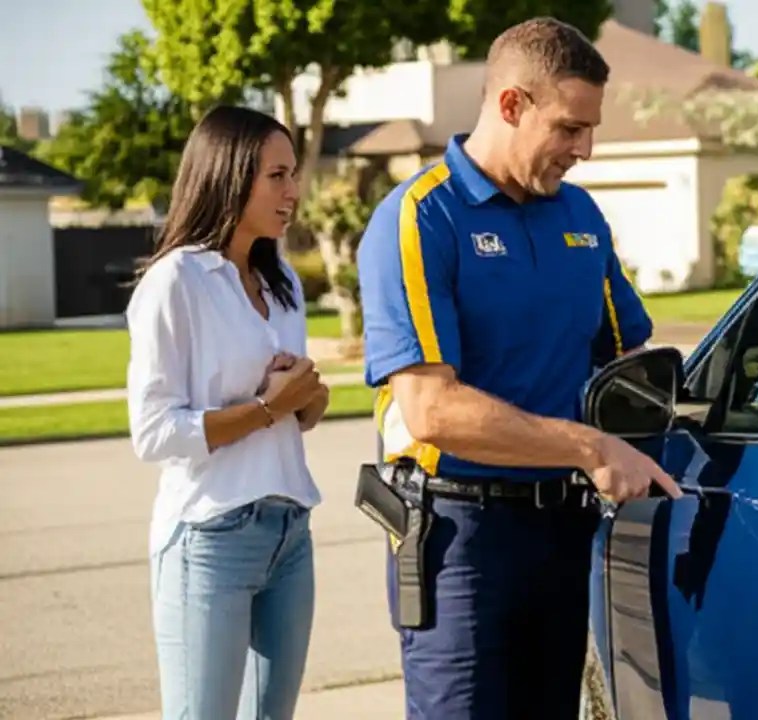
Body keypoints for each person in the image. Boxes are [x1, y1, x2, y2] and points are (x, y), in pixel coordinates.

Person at [356, 16, 683, 720]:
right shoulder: (420, 217)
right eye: (569, 128)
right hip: (459, 539)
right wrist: (588, 446)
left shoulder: (581, 216)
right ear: (511, 105)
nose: (584, 150)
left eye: (589, 130)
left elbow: (629, 363)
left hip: (562, 532)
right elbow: (430, 411)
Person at [126, 104, 329, 720]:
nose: (293, 190)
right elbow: (155, 432)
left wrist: (307, 397)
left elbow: (303, 413)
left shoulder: (282, 281)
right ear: (228, 174)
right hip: (210, 539)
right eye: (277, 175)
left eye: (294, 173)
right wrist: (270, 406)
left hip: (290, 532)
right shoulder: (175, 283)